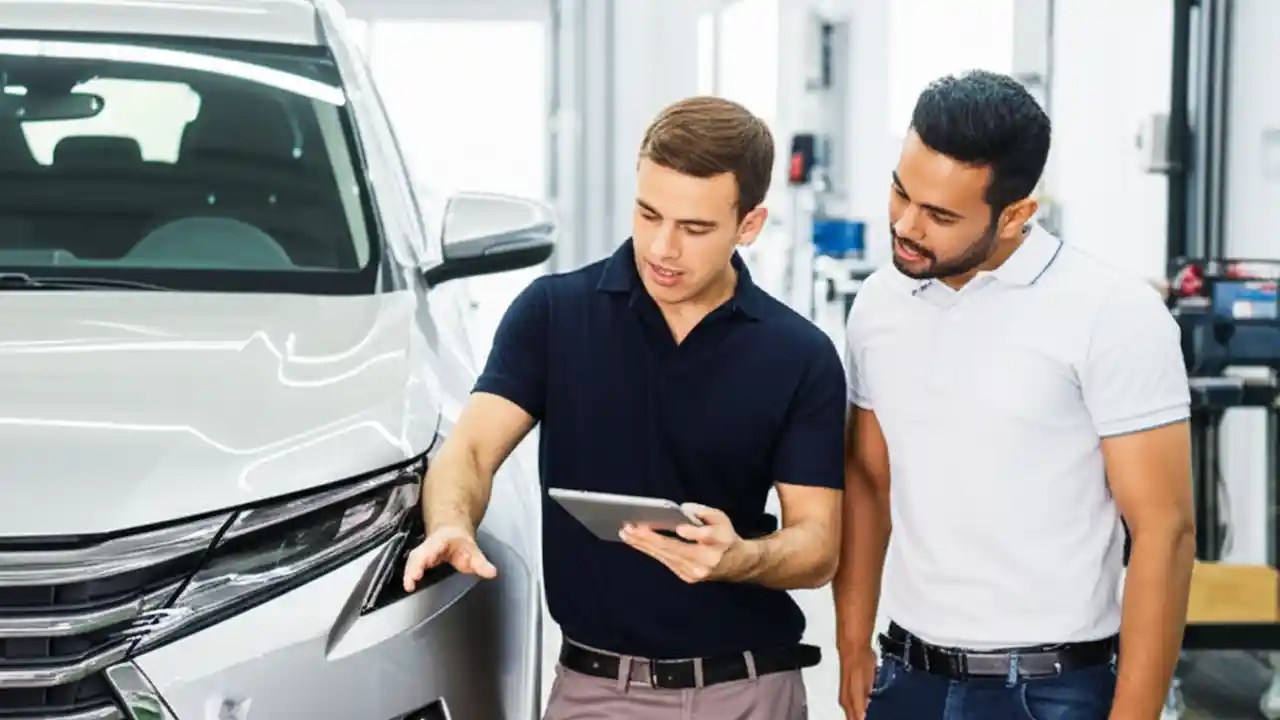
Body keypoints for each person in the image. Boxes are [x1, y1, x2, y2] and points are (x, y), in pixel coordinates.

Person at [403, 95, 846, 719]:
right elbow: (471, 450)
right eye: (648, 214)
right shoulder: (553, 315)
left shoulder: (800, 354)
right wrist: (450, 521)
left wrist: (741, 557)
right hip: (599, 694)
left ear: (749, 225)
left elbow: (818, 545)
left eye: (694, 229)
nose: (663, 247)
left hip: (751, 691)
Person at [833, 70, 1195, 719]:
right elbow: (868, 480)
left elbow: (1164, 531)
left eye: (940, 215)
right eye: (900, 191)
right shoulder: (878, 302)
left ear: (1017, 214)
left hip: (1051, 691)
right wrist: (852, 643)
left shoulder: (1112, 312)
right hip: (906, 675)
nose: (906, 226)